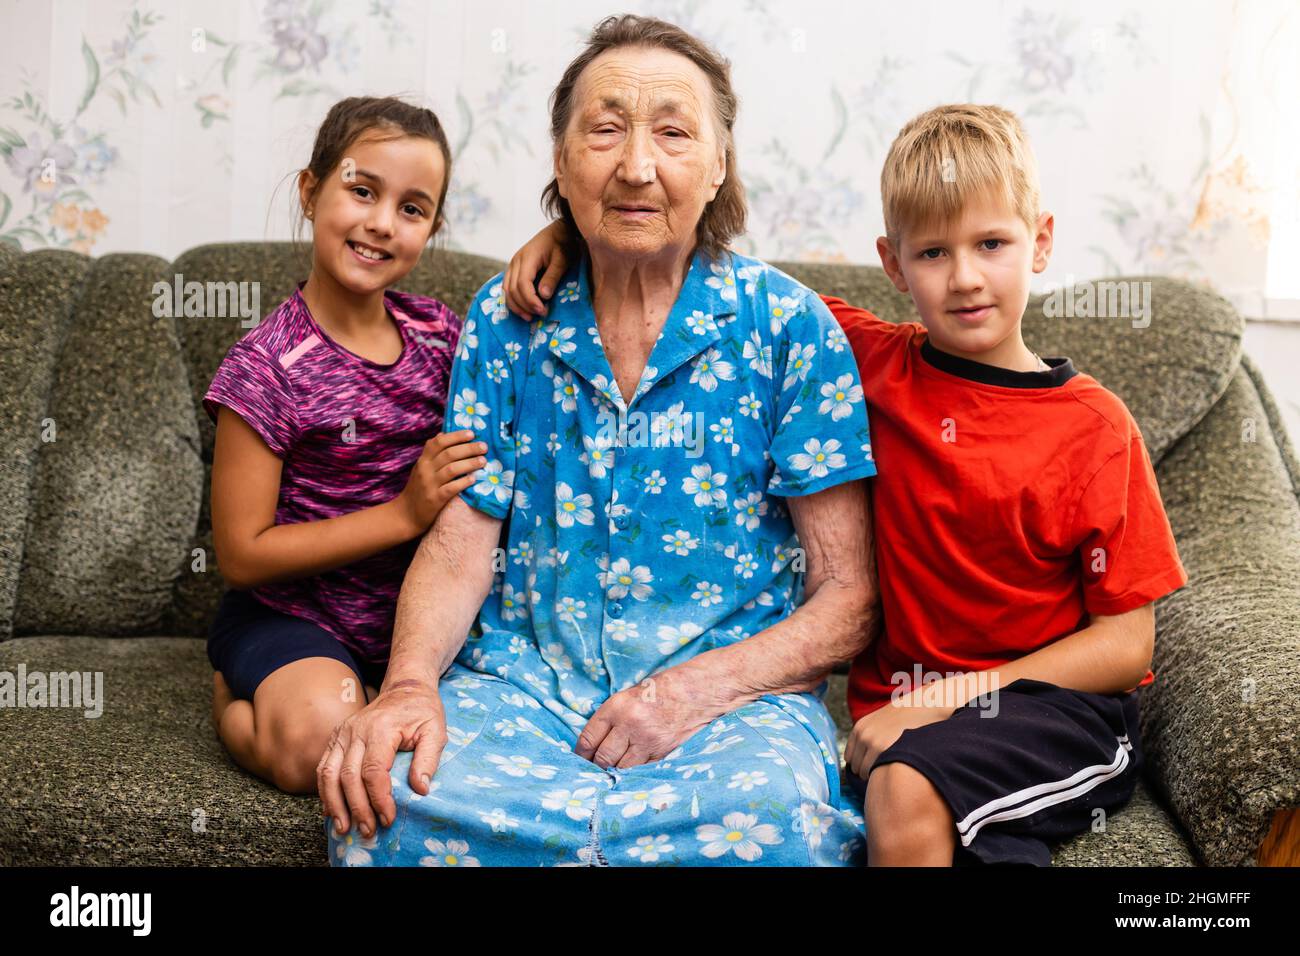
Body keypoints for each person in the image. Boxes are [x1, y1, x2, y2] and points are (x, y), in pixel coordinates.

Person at [508, 103, 1188, 867]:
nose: (965, 277)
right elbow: (708, 276)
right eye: (933, 253)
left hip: (1057, 714)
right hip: (898, 719)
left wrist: (942, 699)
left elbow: (1127, 647)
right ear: (893, 265)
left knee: (902, 790)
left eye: (991, 243)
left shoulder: (1095, 427)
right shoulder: (858, 357)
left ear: (1041, 242)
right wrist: (572, 234)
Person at [316, 15, 880, 866]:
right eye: (605, 129)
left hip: (730, 707)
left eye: (674, 133)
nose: (637, 166)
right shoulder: (505, 323)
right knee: (386, 806)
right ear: (560, 159)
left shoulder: (790, 328)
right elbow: (466, 539)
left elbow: (848, 596)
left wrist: (692, 690)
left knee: (777, 832)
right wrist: (406, 685)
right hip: (522, 688)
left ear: (719, 162)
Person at [205, 96, 482, 794]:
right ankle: (238, 702)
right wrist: (402, 515)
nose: (382, 223)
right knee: (319, 749)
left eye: (413, 208)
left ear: (432, 229)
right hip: (293, 616)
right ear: (311, 191)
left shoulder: (442, 336)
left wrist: (553, 244)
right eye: (362, 191)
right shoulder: (266, 366)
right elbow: (241, 554)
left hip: (412, 629)